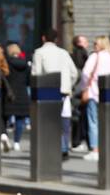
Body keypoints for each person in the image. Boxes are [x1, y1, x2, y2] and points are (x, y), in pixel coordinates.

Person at [30, 27, 79, 157]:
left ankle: (49, 147)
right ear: (56, 39)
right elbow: (74, 73)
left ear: (43, 38)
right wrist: (68, 86)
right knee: (64, 120)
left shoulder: (39, 52)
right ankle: (63, 147)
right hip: (64, 91)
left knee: (48, 121)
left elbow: (36, 74)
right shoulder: (64, 53)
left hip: (46, 91)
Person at [79, 35, 110, 160]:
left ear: (102, 44)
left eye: (96, 43)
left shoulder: (95, 56)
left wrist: (84, 87)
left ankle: (95, 149)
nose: (94, 45)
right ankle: (106, 147)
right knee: (105, 121)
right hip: (108, 94)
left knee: (93, 122)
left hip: (93, 92)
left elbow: (85, 73)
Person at [1, 42, 30, 151]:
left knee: (4, 116)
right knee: (20, 119)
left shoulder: (7, 63)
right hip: (22, 93)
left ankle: (4, 135)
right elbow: (29, 79)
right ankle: (17, 142)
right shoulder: (25, 64)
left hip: (9, 93)